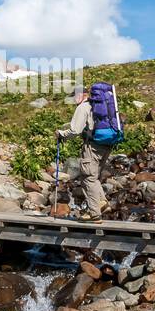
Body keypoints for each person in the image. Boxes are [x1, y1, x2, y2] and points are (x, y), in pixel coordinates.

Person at [57, 84, 111, 222]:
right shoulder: (100, 105)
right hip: (106, 144)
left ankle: (95, 214)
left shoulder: (83, 107)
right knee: (94, 177)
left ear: (80, 95)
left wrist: (61, 134)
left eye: (74, 96)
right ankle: (101, 202)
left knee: (88, 178)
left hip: (92, 146)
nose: (73, 100)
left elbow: (75, 130)